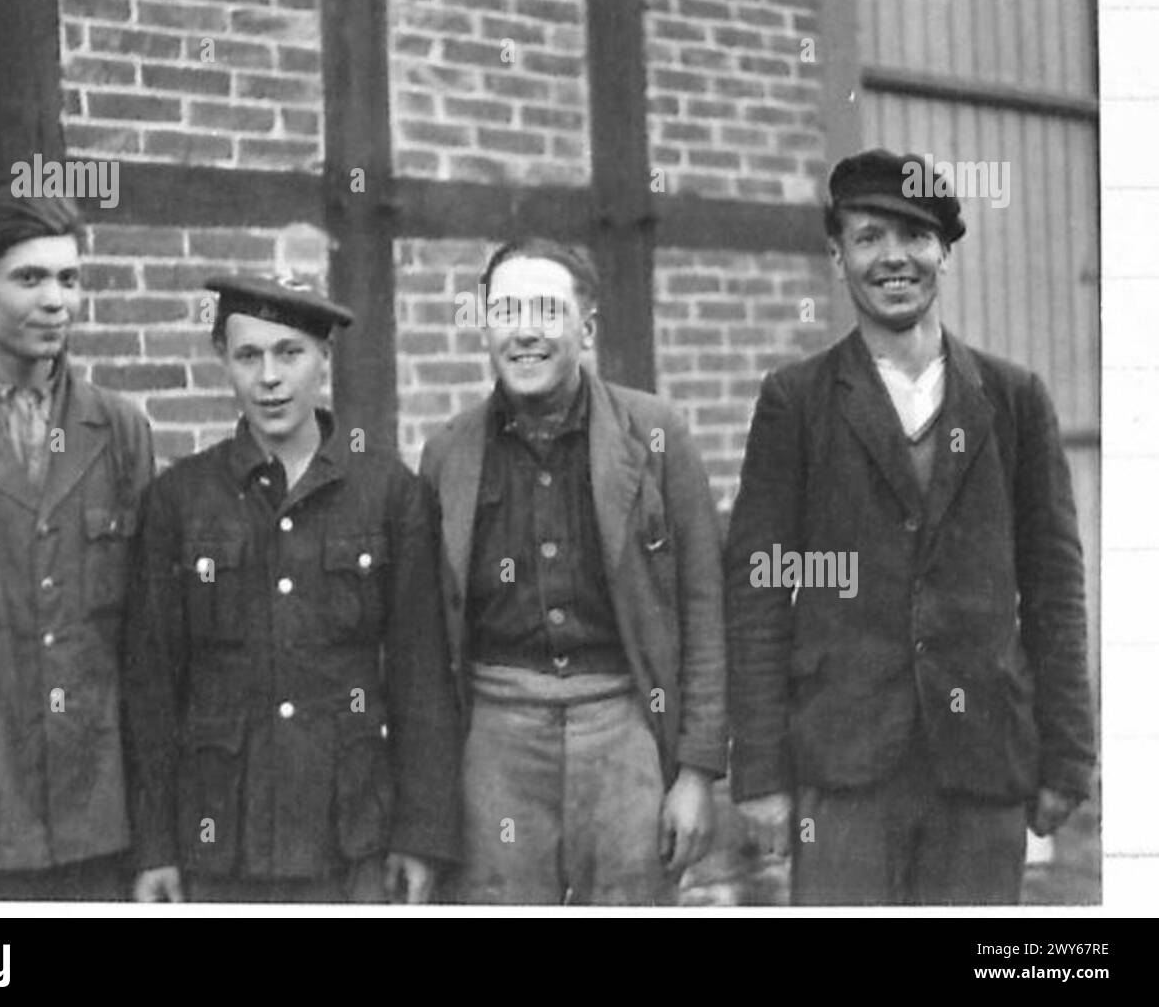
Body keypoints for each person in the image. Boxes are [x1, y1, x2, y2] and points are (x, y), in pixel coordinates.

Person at [724, 148, 1096, 905]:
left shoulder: (1015, 398)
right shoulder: (796, 402)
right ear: (837, 257)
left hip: (984, 763)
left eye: (916, 235)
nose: (894, 257)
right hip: (844, 770)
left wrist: (1068, 754)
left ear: (945, 253)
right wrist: (760, 770)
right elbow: (759, 590)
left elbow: (1055, 587)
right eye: (868, 238)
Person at [125, 273, 460, 903]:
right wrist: (156, 848)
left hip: (353, 834)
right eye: (249, 355)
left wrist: (421, 836)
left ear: (324, 359)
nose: (270, 378)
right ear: (223, 359)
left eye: (290, 353)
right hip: (220, 838)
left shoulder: (390, 495)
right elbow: (151, 687)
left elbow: (421, 678)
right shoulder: (179, 501)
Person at [420, 239, 727, 905]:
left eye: (546, 310)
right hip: (496, 731)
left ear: (585, 328)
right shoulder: (447, 451)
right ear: (485, 326)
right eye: (506, 310)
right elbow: (429, 630)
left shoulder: (656, 434)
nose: (525, 330)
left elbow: (704, 606)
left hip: (621, 723)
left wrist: (697, 771)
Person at [0, 186, 154, 900]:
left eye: (70, 278)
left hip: (97, 812)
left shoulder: (120, 431)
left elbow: (145, 639)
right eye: (29, 277)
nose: (56, 298)